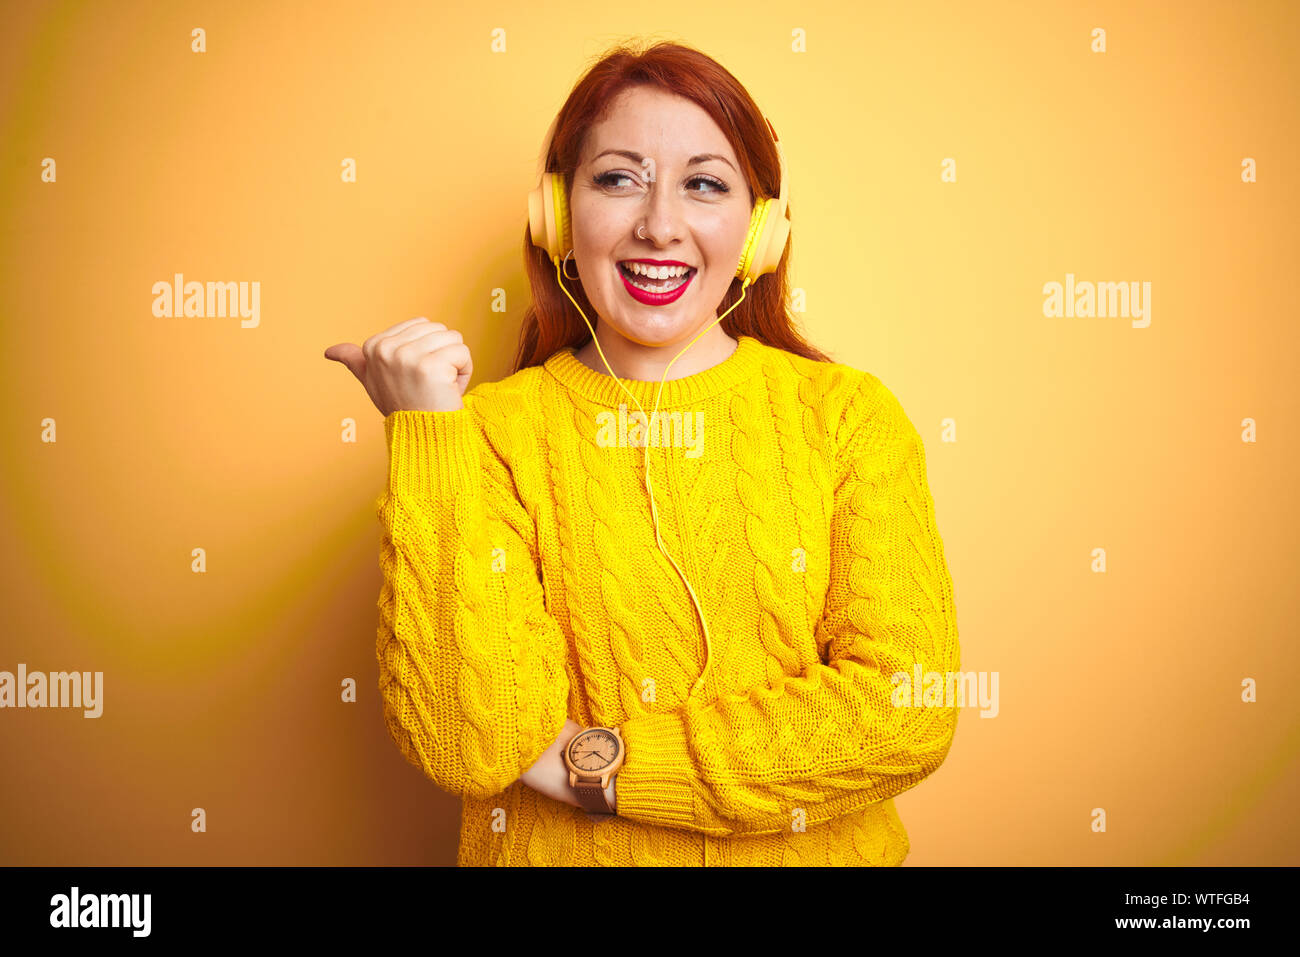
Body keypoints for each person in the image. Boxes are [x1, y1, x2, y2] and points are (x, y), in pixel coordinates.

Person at [325, 39, 961, 866]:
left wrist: (600, 771)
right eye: (619, 177)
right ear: (556, 217)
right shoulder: (478, 433)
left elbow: (904, 710)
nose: (660, 224)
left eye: (704, 183)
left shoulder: (848, 416)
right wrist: (426, 434)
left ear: (760, 231)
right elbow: (468, 742)